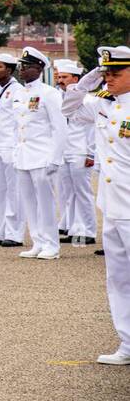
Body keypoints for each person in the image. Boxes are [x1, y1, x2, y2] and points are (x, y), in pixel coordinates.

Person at [61, 45, 130, 365]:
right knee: (118, 278)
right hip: (113, 206)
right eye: (106, 74)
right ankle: (127, 343)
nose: (109, 79)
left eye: (116, 73)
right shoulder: (103, 104)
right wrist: (85, 83)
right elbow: (69, 108)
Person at [11, 47, 66, 260]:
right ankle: (37, 241)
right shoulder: (19, 93)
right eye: (21, 67)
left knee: (45, 203)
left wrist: (55, 157)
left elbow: (60, 128)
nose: (21, 70)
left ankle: (51, 244)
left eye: (26, 67)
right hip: (23, 155)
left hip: (42, 156)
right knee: (29, 202)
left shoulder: (49, 94)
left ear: (39, 68)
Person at [0, 53, 25, 248]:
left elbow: (19, 119)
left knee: (13, 191)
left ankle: (15, 233)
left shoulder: (18, 90)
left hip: (10, 145)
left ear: (9, 69)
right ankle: (1, 230)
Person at [54, 59, 97, 246]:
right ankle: (72, 227)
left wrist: (91, 153)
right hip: (64, 151)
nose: (61, 80)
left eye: (65, 77)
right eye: (59, 76)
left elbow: (94, 128)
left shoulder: (88, 100)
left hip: (80, 151)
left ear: (76, 79)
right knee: (66, 193)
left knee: (83, 193)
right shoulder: (57, 97)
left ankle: (88, 230)